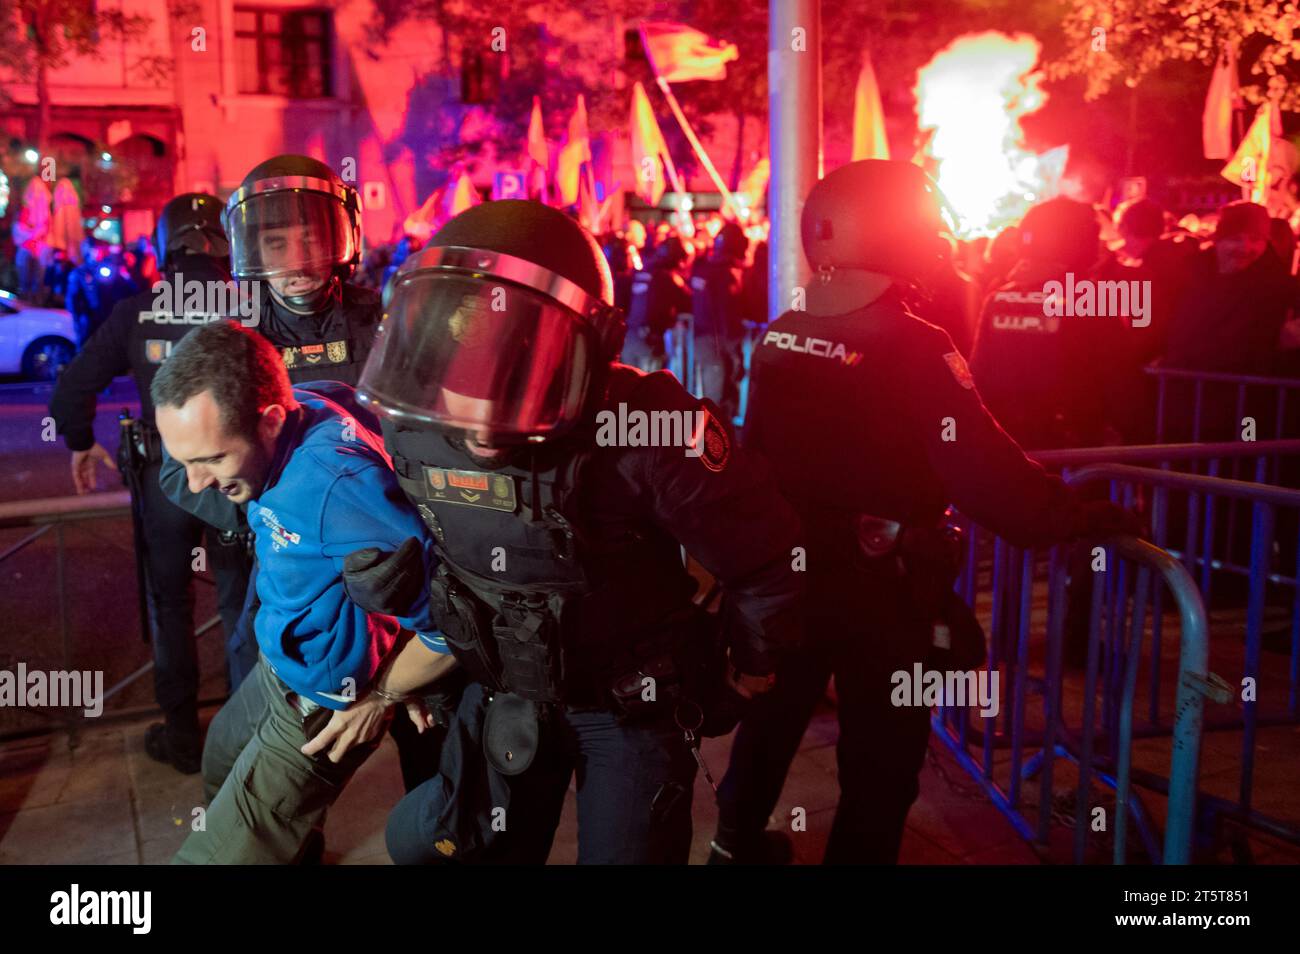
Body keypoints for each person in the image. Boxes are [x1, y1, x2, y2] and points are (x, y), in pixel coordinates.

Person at [711, 160, 1139, 865]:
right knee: (881, 754)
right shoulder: (915, 344)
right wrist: (1081, 516)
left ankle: (732, 847)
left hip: (789, 576)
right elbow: (987, 474)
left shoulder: (782, 333)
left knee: (772, 721)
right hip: (882, 588)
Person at [355, 199, 805, 864]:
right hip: (502, 689)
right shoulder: (410, 420)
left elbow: (767, 556)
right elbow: (445, 546)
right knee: (450, 850)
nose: (480, 426)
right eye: (463, 390)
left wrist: (746, 672)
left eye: (512, 390)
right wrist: (400, 610)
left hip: (631, 707)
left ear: (585, 359)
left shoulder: (647, 430)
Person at [159, 154, 440, 793]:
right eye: (275, 242)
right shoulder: (232, 336)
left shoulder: (389, 320)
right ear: (251, 248)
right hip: (283, 572)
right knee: (271, 761)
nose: (296, 259)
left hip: (401, 563)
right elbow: (179, 471)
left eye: (310, 239)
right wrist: (275, 513)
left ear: (341, 237)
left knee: (432, 745)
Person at [152, 320, 456, 863]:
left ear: (270, 421)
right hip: (280, 666)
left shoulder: (338, 486)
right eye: (185, 461)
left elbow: (451, 626)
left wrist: (384, 693)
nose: (196, 484)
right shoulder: (310, 400)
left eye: (212, 460)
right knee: (220, 760)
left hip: (322, 704)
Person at [47, 193, 253, 774]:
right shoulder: (249, 305)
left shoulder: (136, 310)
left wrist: (79, 440)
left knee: (170, 606)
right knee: (241, 606)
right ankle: (242, 746)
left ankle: (184, 737)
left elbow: (73, 386)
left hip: (166, 480)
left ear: (165, 246)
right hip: (237, 481)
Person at [970, 197, 1118, 449]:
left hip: (1009, 440)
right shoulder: (1090, 299)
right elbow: (1117, 376)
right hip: (1074, 446)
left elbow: (980, 371)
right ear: (1079, 241)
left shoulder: (999, 297)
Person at [691, 222, 749, 421]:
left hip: (703, 340)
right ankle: (711, 449)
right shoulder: (726, 273)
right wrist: (734, 350)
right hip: (718, 345)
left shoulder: (702, 268)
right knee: (718, 404)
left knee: (712, 401)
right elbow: (728, 315)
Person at [624, 234, 691, 373]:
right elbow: (688, 302)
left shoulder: (641, 271)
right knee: (649, 389)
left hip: (629, 337)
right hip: (649, 342)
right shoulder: (668, 277)